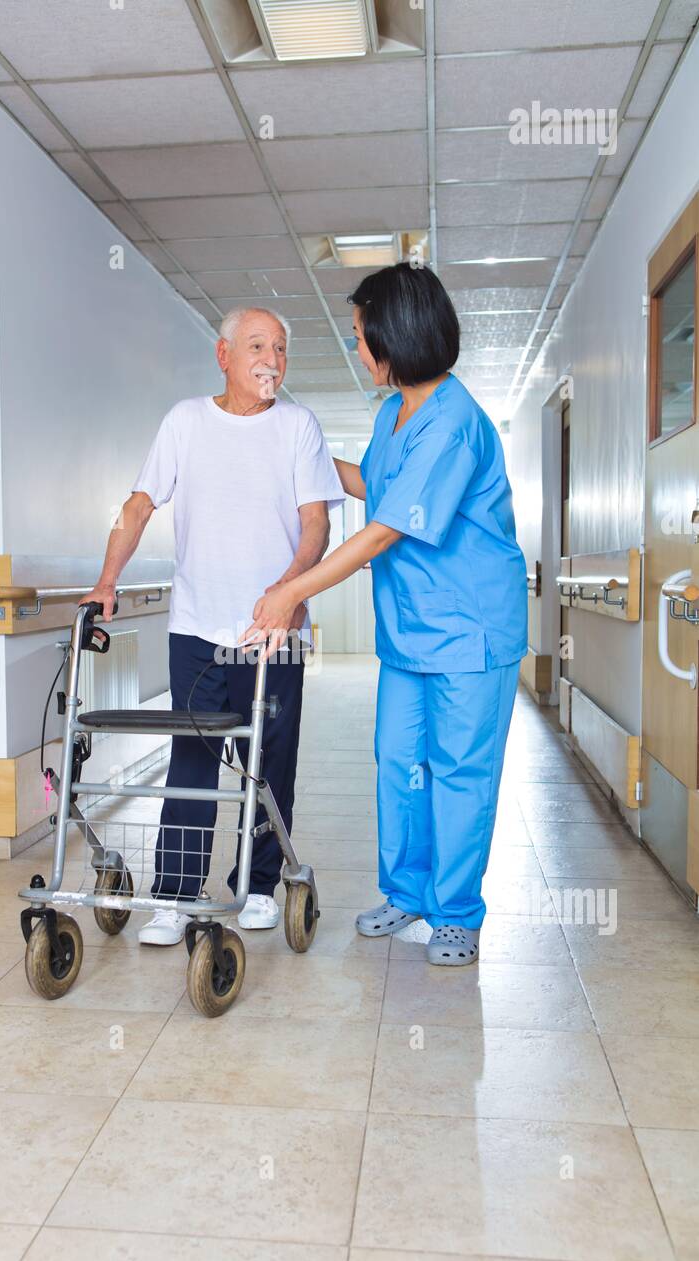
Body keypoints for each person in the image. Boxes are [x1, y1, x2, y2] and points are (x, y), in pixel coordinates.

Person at [240, 263, 528, 965]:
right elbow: (375, 485)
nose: (356, 351)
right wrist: (299, 444)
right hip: (409, 633)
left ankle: (456, 912)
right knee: (399, 762)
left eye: (359, 338)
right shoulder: (392, 411)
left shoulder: (454, 422)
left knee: (459, 769)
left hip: (471, 632)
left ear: (394, 339)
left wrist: (292, 590)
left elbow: (382, 530)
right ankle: (406, 894)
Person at [81, 306, 345, 945]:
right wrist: (107, 579)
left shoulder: (298, 427)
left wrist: (290, 589)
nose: (272, 360)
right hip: (197, 627)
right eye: (258, 346)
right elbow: (139, 506)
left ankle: (257, 884)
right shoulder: (185, 422)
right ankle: (175, 892)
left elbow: (317, 523)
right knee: (191, 758)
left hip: (275, 630)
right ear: (223, 355)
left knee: (269, 760)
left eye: (281, 349)